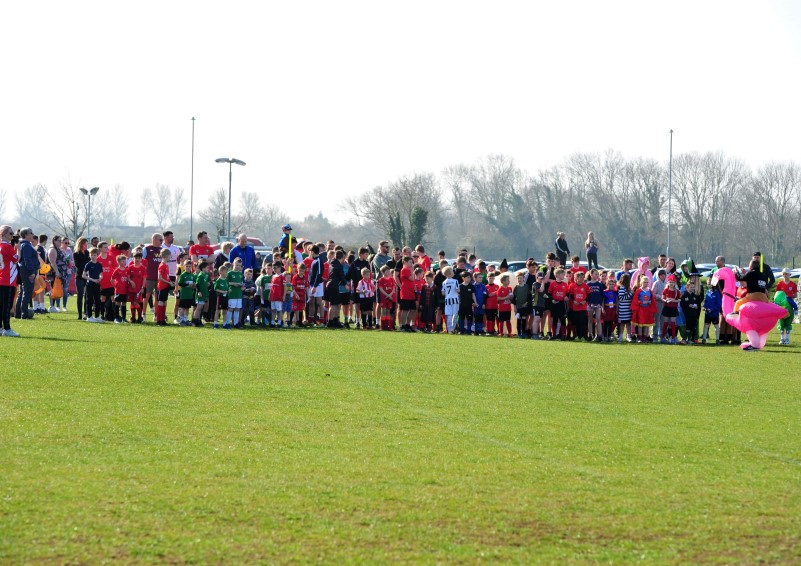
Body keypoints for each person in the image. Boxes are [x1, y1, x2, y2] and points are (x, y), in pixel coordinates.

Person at [15, 228, 39, 320]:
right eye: (31, 233)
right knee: (27, 292)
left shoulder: (24, 244)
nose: (33, 234)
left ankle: (18, 313)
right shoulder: (26, 245)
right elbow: (27, 259)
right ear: (25, 235)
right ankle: (24, 314)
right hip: (28, 270)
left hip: (24, 270)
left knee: (22, 292)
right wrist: (32, 272)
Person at [0, 226, 20, 336]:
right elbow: (16, 259)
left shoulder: (1, 246)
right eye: (10, 233)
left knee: (1, 306)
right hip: (8, 280)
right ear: (3, 234)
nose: (12, 235)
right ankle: (7, 329)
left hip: (2, 278)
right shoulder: (7, 247)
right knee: (7, 306)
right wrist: (18, 249)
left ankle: (0, 328)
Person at [143, 233, 165, 320]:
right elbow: (142, 261)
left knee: (157, 297)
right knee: (147, 296)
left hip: (159, 277)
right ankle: (143, 314)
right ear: (155, 239)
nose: (161, 241)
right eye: (160, 240)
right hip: (149, 277)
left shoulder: (162, 249)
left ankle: (156, 314)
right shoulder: (147, 249)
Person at [630, 276, 656, 343]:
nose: (646, 284)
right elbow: (635, 300)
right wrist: (641, 302)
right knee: (640, 324)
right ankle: (639, 337)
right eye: (644, 282)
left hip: (647, 309)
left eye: (647, 282)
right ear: (641, 282)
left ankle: (645, 337)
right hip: (640, 309)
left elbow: (652, 300)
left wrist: (650, 303)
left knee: (647, 324)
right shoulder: (639, 290)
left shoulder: (650, 290)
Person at [567, 270, 590, 341]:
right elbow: (570, 295)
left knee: (582, 321)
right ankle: (576, 336)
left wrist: (585, 301)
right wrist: (574, 301)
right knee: (575, 322)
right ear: (576, 278)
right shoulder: (572, 285)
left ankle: (582, 336)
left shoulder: (585, 286)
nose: (582, 278)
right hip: (574, 307)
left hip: (583, 307)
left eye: (583, 277)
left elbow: (589, 295)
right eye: (581, 277)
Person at [83, 247, 104, 323]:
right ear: (90, 255)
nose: (93, 256)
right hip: (90, 284)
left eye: (94, 255)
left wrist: (100, 278)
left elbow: (101, 274)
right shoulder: (88, 264)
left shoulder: (99, 265)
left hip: (97, 284)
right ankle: (89, 316)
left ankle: (97, 316)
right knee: (89, 300)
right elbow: (84, 275)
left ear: (97, 255)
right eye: (92, 255)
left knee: (97, 300)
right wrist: (92, 279)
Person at [72, 237, 90, 320]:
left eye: (87, 244)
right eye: (84, 244)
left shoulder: (87, 253)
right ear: (81, 244)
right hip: (79, 276)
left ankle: (86, 313)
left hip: (87, 276)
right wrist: (86, 263)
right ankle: (79, 314)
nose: (86, 246)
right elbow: (78, 265)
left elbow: (89, 263)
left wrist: (85, 263)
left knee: (87, 296)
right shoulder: (76, 254)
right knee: (80, 296)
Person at [110, 254, 131, 323]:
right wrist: (115, 286)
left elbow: (128, 278)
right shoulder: (117, 270)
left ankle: (123, 318)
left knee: (124, 303)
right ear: (118, 262)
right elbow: (112, 279)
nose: (124, 263)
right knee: (118, 303)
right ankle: (116, 318)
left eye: (125, 261)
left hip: (125, 290)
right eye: (122, 261)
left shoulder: (127, 270)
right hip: (118, 290)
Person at [155, 248, 173, 327]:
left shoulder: (166, 265)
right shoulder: (162, 265)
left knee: (164, 302)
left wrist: (170, 282)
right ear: (166, 256)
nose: (170, 257)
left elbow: (166, 276)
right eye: (170, 256)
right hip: (162, 286)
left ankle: (162, 319)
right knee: (161, 302)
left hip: (166, 286)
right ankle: (159, 320)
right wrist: (168, 282)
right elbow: (160, 277)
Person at [661, 275, 681, 344]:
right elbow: (662, 298)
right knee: (665, 323)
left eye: (673, 282)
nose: (671, 284)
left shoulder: (677, 291)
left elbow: (679, 300)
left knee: (673, 323)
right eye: (670, 282)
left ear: (675, 283)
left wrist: (673, 300)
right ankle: (662, 337)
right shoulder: (665, 290)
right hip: (666, 308)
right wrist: (665, 300)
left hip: (673, 309)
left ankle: (673, 338)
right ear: (668, 283)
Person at [127, 251, 147, 323]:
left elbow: (144, 279)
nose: (137, 259)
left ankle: (140, 317)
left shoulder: (142, 268)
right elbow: (128, 277)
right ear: (133, 259)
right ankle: (133, 318)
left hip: (139, 289)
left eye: (139, 258)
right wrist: (131, 281)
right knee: (132, 303)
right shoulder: (130, 267)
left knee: (136, 303)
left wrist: (142, 288)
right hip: (131, 289)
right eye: (136, 258)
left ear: (141, 259)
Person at [175, 258, 196, 326]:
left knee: (187, 308)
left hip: (189, 294)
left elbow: (194, 284)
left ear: (191, 267)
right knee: (182, 307)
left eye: (189, 266)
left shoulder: (192, 275)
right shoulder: (183, 275)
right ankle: (181, 320)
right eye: (186, 266)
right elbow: (180, 283)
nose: (188, 268)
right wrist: (187, 284)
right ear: (184, 266)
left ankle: (185, 319)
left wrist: (193, 285)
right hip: (183, 294)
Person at [701, 280, 722, 345]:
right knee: (706, 325)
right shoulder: (707, 292)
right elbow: (706, 301)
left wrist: (712, 309)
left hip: (714, 313)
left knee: (716, 326)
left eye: (709, 284)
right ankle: (704, 339)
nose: (708, 285)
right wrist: (704, 307)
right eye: (707, 284)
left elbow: (719, 304)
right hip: (707, 313)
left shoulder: (717, 293)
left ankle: (717, 339)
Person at [225, 258, 244, 329]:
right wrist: (233, 284)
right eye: (236, 265)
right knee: (230, 309)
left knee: (237, 309)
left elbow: (241, 283)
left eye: (239, 265)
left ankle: (236, 323)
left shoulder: (240, 274)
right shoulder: (229, 273)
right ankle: (227, 323)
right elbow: (226, 282)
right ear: (233, 264)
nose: (238, 267)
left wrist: (242, 286)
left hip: (239, 294)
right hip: (232, 294)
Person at [440, 266, 459, 334]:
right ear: (450, 274)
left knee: (449, 315)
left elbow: (443, 293)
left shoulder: (444, 282)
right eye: (453, 271)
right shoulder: (455, 281)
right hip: (455, 299)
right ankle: (453, 328)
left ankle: (449, 330)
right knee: (455, 314)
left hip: (447, 300)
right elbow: (458, 290)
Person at [192, 261, 210, 327]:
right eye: (207, 267)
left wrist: (207, 284)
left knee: (201, 307)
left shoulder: (205, 275)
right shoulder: (200, 275)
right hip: (200, 294)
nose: (208, 268)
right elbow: (197, 284)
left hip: (204, 294)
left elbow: (205, 283)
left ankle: (198, 320)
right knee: (198, 308)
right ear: (203, 268)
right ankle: (194, 321)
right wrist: (199, 292)